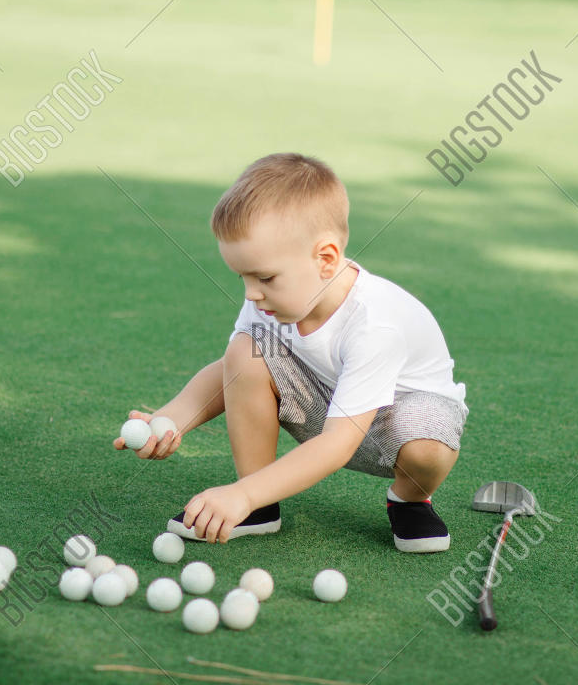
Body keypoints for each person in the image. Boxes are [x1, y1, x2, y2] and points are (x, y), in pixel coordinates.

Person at [114, 153, 468, 552]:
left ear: (326, 259)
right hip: (327, 404)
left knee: (425, 445)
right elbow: (229, 372)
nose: (251, 293)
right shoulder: (274, 299)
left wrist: (240, 493)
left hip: (396, 421)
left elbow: (338, 443)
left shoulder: (375, 325)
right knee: (245, 349)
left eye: (264, 277)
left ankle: (409, 498)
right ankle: (260, 507)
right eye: (243, 277)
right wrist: (173, 418)